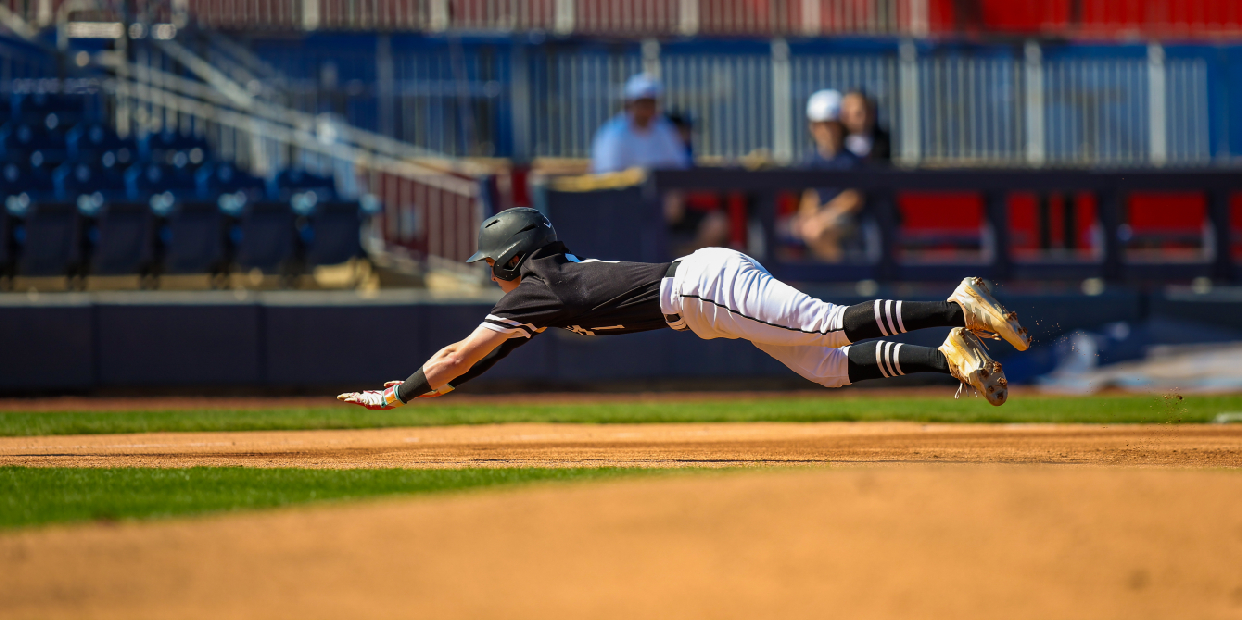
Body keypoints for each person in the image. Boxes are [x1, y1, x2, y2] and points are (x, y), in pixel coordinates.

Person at [338, 208, 1031, 411]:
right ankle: (948, 355)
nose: (490, 277)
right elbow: (475, 363)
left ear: (515, 258)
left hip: (702, 289)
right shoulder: (542, 293)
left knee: (822, 320)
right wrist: (429, 389)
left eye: (492, 264)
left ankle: (955, 307)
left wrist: (398, 392)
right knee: (822, 368)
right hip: (706, 295)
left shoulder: (537, 290)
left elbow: (459, 355)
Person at [794, 89, 866, 261]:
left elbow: (854, 198)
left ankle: (843, 278)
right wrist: (807, 217)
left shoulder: (852, 160)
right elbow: (810, 194)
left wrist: (823, 218)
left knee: (818, 232)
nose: (824, 130)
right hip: (820, 218)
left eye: (829, 123)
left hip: (848, 220)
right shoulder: (810, 160)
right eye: (818, 124)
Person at [590, 74, 689, 174]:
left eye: (651, 102)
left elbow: (679, 165)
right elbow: (607, 174)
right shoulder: (613, 133)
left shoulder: (664, 129)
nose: (648, 108)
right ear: (629, 104)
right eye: (643, 103)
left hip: (660, 188)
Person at [841, 89, 892, 163]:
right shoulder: (836, 145)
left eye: (858, 113)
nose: (851, 118)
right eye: (847, 113)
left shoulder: (887, 144)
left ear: (871, 113)